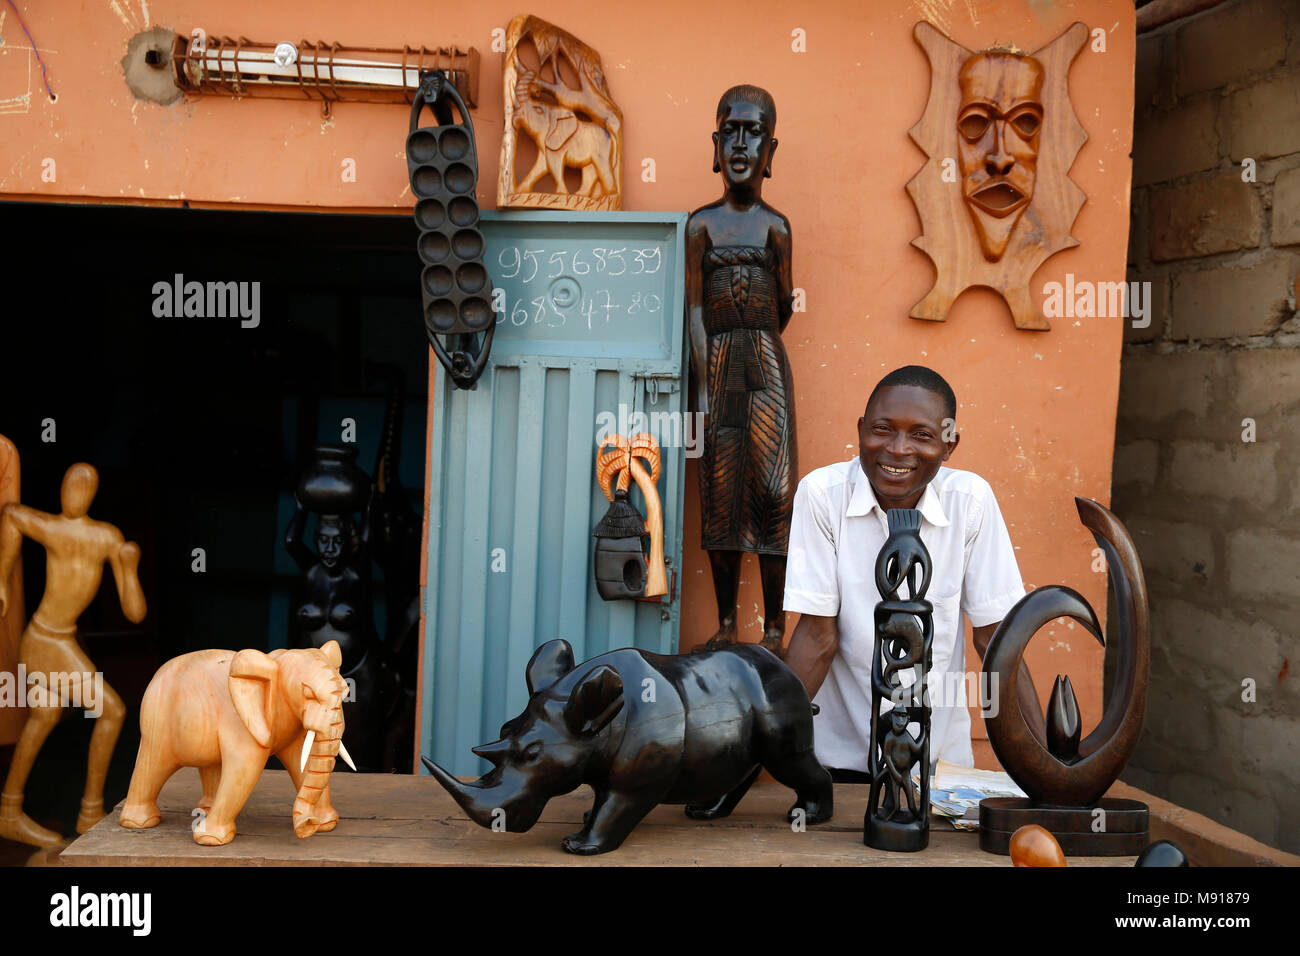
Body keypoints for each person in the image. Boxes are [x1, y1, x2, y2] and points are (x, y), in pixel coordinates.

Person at [782, 366, 1044, 778]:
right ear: (860, 430)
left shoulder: (969, 502)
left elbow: (996, 639)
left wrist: (1044, 768)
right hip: (838, 764)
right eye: (882, 429)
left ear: (949, 444)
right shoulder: (822, 495)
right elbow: (817, 635)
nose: (898, 449)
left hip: (936, 767)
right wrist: (759, 754)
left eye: (922, 435)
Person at [686, 84, 797, 655]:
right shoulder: (700, 225)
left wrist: (755, 339)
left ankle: (775, 627)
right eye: (730, 130)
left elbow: (783, 304)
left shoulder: (776, 226)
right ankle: (728, 621)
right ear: (715, 142)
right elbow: (694, 309)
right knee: (721, 487)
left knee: (774, 489)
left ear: (770, 150)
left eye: (753, 132)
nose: (740, 143)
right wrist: (705, 378)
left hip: (765, 363)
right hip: (717, 361)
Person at [0, 463, 146, 846]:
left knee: (44, 715)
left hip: (59, 640)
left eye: (84, 486)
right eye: (69, 484)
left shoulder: (106, 537)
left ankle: (8, 811)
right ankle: (89, 811)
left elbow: (135, 614)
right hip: (45, 641)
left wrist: (129, 569)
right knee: (112, 711)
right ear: (61, 489)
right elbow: (12, 514)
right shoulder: (52, 527)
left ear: (93, 494)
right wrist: (2, 577)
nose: (75, 492)